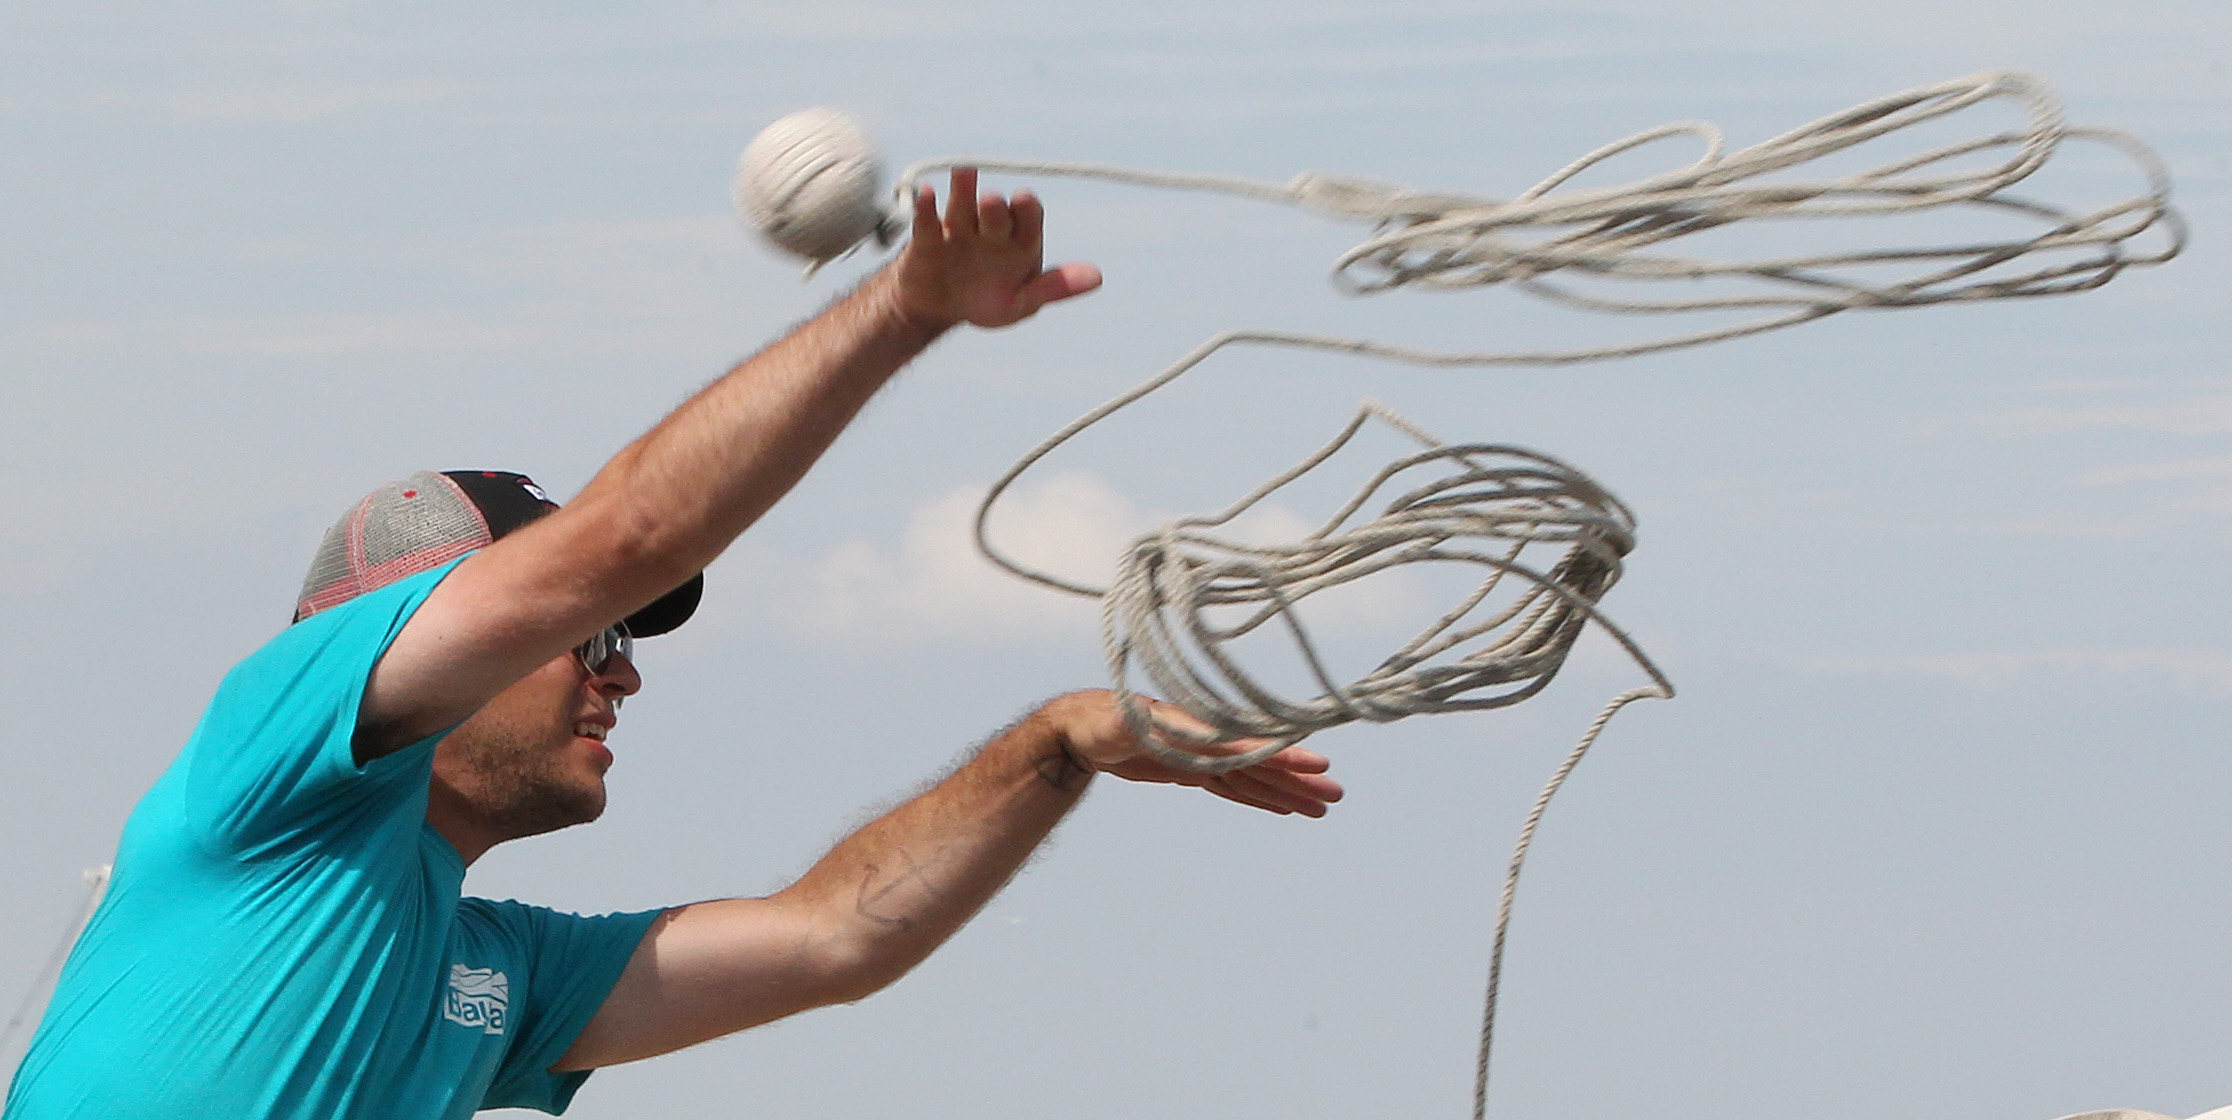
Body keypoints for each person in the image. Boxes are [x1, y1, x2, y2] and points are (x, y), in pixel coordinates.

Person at [1, 170, 1343, 1120]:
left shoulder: (498, 971)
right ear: (411, 632)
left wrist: (1069, 737)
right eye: (590, 642)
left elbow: (833, 942)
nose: (625, 670)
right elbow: (628, 531)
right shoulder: (272, 755)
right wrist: (905, 311)